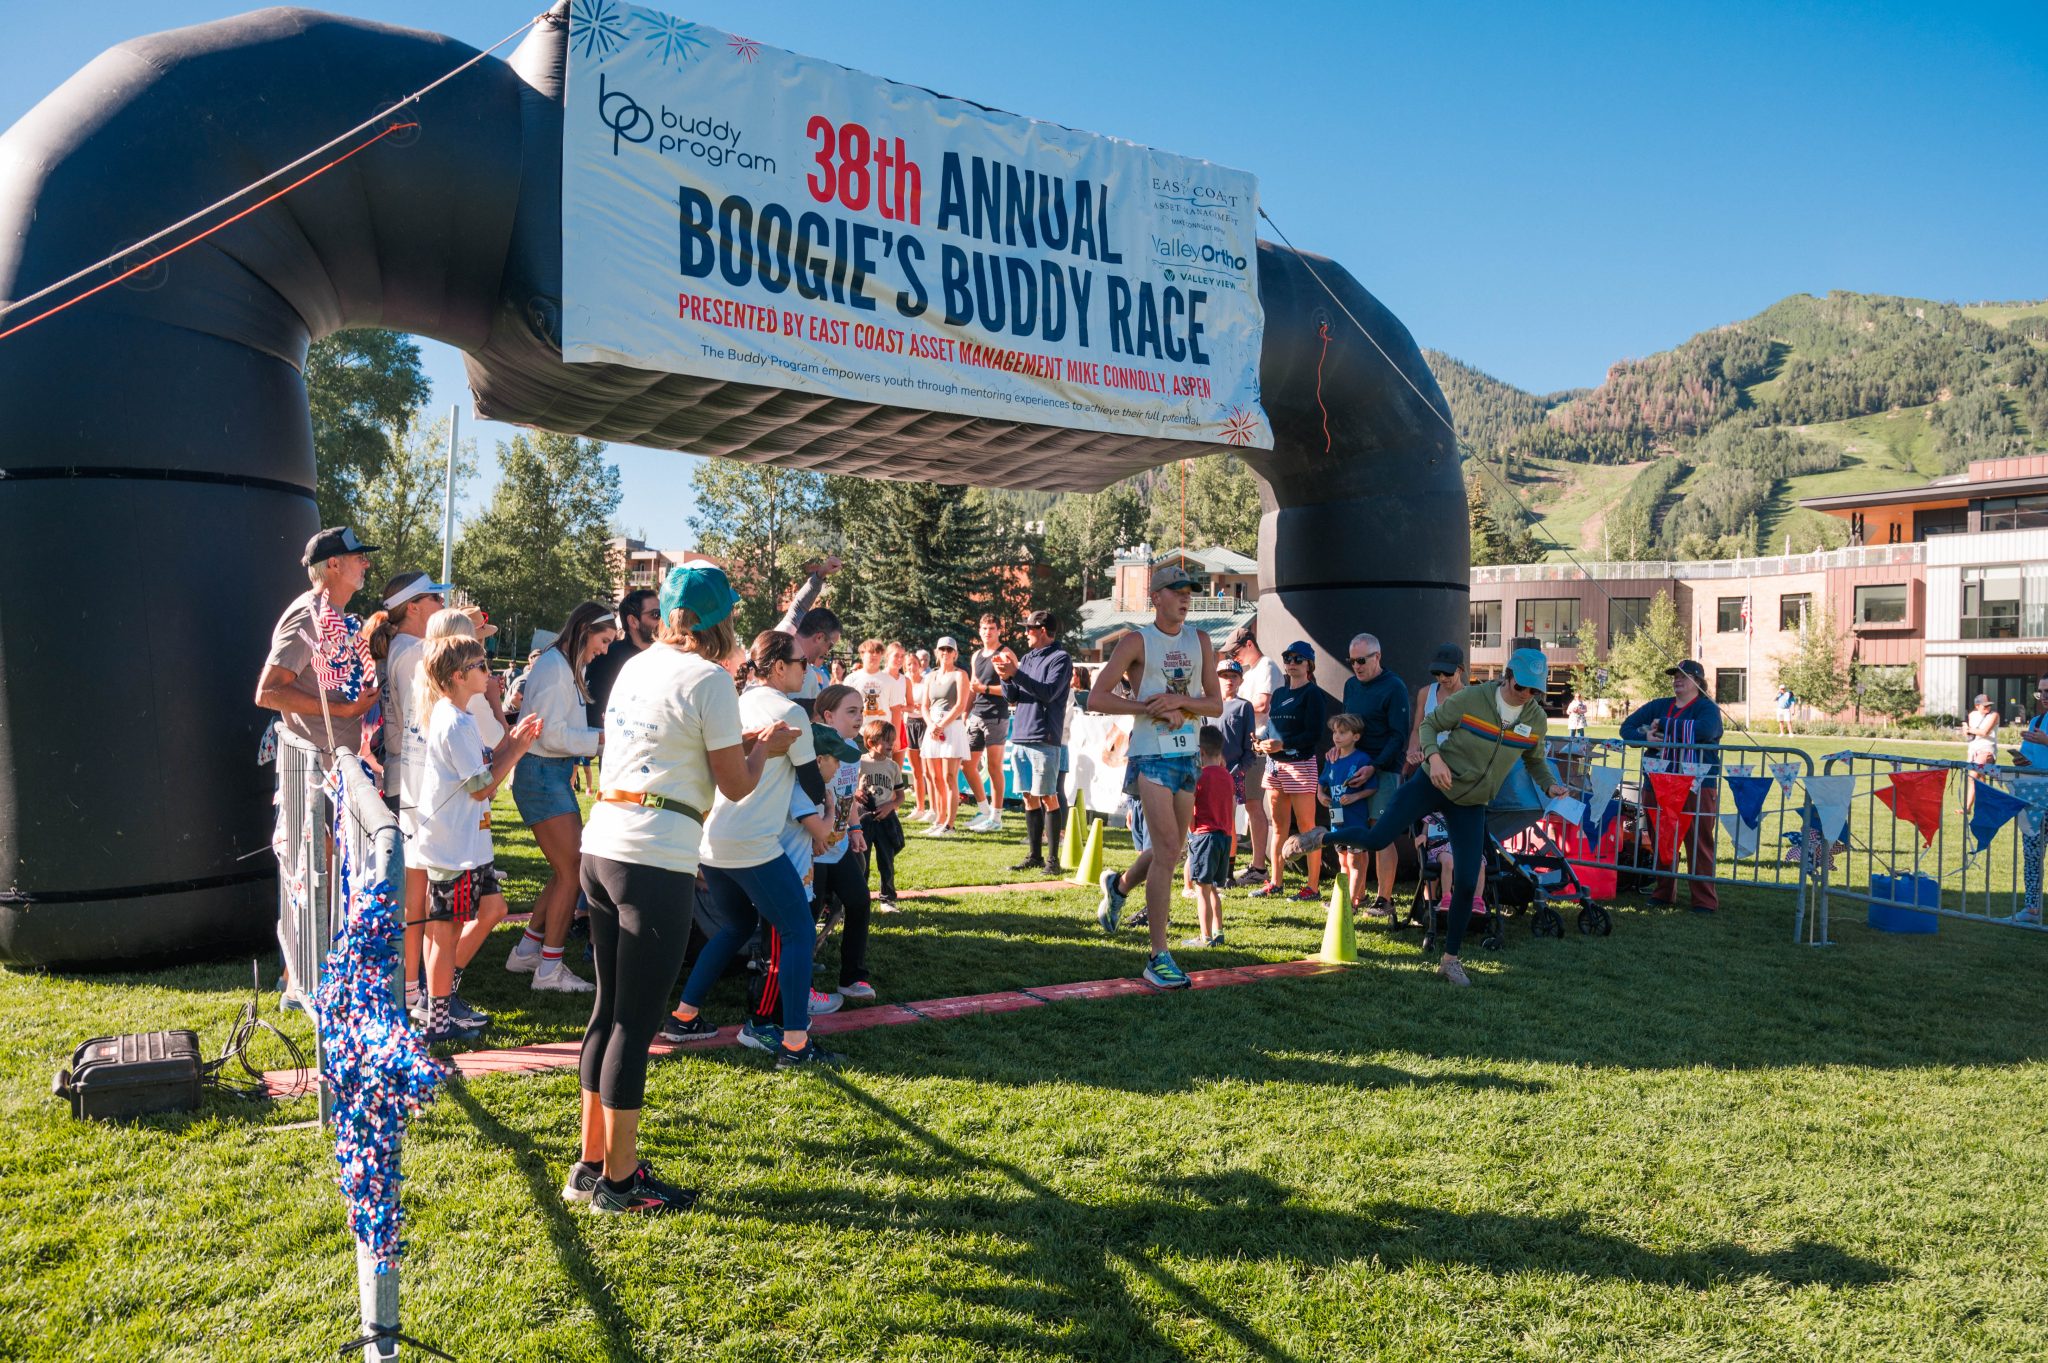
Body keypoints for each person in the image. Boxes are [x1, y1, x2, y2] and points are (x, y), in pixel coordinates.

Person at [571, 564, 781, 1213]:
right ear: (723, 618)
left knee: (606, 1012)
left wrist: (739, 744)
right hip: (653, 856)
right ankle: (621, 1183)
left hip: (603, 841)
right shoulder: (713, 678)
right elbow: (736, 782)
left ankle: (591, 1164)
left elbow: (671, 745)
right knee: (635, 1024)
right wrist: (767, 746)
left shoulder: (639, 664)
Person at [1287, 648, 1566, 987]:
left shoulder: (1535, 718)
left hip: (1471, 802)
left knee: (1466, 880)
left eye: (1535, 691)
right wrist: (1434, 760)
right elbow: (1431, 725)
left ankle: (1450, 961)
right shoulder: (1474, 698)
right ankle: (1320, 837)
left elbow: (1535, 760)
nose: (1528, 696)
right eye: (1523, 688)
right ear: (1507, 677)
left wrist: (1550, 786)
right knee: (1377, 839)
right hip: (1432, 783)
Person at [663, 629, 840, 1069]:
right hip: (751, 844)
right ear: (779, 667)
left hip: (714, 842)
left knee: (737, 927)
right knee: (799, 930)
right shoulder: (786, 712)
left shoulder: (738, 701)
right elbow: (813, 786)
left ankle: (683, 1016)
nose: (809, 668)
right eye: (802, 662)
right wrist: (833, 791)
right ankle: (795, 1044)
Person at [1087, 562, 1222, 990]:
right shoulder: (1135, 641)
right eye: (1176, 590)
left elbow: (1215, 705)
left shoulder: (1201, 640)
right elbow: (1097, 696)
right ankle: (1157, 956)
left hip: (1187, 756)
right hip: (1149, 756)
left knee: (1172, 851)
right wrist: (1146, 706)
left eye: (1189, 591)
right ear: (1156, 597)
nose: (1185, 597)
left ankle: (1119, 885)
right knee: (1166, 849)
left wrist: (1178, 700)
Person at [412, 636, 543, 1044]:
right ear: (458, 675)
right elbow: (481, 787)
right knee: (444, 931)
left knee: (493, 908)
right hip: (453, 847)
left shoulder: (458, 717)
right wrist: (517, 749)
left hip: (467, 844)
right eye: (482, 666)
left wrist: (512, 743)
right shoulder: (452, 721)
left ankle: (443, 997)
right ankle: (437, 1018)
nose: (489, 674)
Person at [505, 602, 619, 990]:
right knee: (574, 872)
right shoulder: (555, 668)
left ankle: (527, 952)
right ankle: (548, 969)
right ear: (585, 629)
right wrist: (601, 741)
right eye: (604, 641)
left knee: (566, 869)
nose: (605, 650)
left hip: (547, 774)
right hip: (542, 775)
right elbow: (549, 735)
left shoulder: (564, 664)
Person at [256, 526, 383, 758]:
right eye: (359, 558)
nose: (366, 564)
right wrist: (346, 710)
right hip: (321, 779)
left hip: (339, 769)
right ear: (334, 564)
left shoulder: (331, 612)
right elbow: (267, 692)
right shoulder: (308, 615)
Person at [1619, 659, 1726, 912]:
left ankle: (1704, 900)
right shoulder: (1659, 705)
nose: (1677, 680)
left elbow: (1706, 730)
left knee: (1698, 839)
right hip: (1658, 781)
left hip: (1696, 784)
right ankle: (1664, 893)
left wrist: (1665, 725)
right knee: (1661, 839)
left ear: (1698, 682)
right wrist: (1644, 737)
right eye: (1675, 676)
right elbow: (1626, 729)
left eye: (1684, 676)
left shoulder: (1706, 707)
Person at [809, 685, 876, 1004]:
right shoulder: (810, 750)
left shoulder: (852, 750)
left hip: (837, 848)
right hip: (812, 850)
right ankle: (802, 984)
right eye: (852, 711)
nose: (860, 717)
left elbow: (847, 797)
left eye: (861, 711)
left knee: (860, 901)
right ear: (827, 716)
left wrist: (856, 829)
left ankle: (853, 978)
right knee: (806, 917)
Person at [995, 608, 1074, 874]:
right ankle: (1034, 855)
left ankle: (1053, 861)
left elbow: (1048, 692)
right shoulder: (1028, 658)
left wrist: (1015, 673)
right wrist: (1006, 677)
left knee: (1048, 796)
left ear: (1042, 631)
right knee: (1028, 797)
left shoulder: (1060, 658)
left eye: (1028, 629)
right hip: (1021, 735)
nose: (1025, 633)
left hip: (1044, 735)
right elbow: (1013, 697)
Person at [1250, 641, 1330, 902]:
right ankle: (1275, 881)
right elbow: (1273, 728)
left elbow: (1315, 734)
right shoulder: (1281, 693)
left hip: (1300, 766)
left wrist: (1283, 744)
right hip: (1275, 765)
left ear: (1309, 665)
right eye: (1288, 657)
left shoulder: (1313, 694)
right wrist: (1262, 742)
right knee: (1278, 826)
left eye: (1298, 658)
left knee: (1308, 828)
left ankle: (1313, 887)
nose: (1292, 662)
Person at [1406, 643, 1485, 906]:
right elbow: (1418, 728)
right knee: (1429, 820)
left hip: (1458, 773)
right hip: (1429, 769)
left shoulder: (1472, 697)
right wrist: (1412, 753)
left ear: (1460, 670)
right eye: (1437, 674)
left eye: (1447, 675)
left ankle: (1467, 895)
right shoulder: (1425, 694)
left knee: (1459, 825)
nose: (1442, 679)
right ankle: (1433, 899)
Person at [1340, 632, 1410, 914]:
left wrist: (1375, 766)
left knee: (1380, 833)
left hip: (1383, 770)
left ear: (1377, 657)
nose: (1356, 666)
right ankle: (1356, 896)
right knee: (1355, 833)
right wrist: (1339, 752)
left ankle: (1385, 898)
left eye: (1361, 660)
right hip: (1354, 768)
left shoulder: (1394, 687)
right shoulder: (1350, 685)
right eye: (1352, 660)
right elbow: (1345, 726)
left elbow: (1399, 735)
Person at [1224, 625, 1282, 886]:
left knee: (1254, 806)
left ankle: (1259, 866)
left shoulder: (1267, 666)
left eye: (1235, 652)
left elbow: (1263, 704)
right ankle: (1255, 865)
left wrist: (1236, 706)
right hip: (1248, 746)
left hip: (1258, 748)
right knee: (1249, 807)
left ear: (1249, 644)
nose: (1234, 657)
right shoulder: (1251, 671)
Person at [1319, 713, 1377, 912]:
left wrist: (1355, 797)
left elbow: (1372, 787)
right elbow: (1322, 781)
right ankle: (1345, 899)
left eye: (1343, 732)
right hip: (1337, 818)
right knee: (1342, 859)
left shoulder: (1362, 759)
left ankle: (1352, 903)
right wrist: (1320, 795)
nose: (1337, 736)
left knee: (1355, 860)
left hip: (1356, 821)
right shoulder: (1332, 759)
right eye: (1335, 732)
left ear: (1356, 737)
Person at [1183, 726, 1234, 949]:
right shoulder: (1227, 776)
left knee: (1201, 889)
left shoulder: (1199, 776)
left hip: (1204, 837)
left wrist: (1191, 827)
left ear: (1200, 751)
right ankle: (1218, 931)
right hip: (1224, 837)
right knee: (1214, 888)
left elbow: (1189, 805)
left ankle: (1204, 937)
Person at [773, 556, 844, 715]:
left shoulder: (810, 674)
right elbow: (799, 606)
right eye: (830, 645)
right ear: (819, 637)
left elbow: (800, 607)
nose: (827, 653)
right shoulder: (777, 641)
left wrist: (822, 573)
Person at [964, 613, 1013, 832]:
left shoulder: (1005, 654)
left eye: (992, 628)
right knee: (967, 764)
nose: (987, 632)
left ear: (999, 630)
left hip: (996, 715)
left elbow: (1012, 690)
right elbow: (973, 687)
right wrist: (966, 712)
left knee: (994, 767)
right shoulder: (976, 655)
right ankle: (984, 809)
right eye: (984, 628)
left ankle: (996, 817)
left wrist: (983, 689)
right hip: (976, 714)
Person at [583, 588, 659, 727]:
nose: (662, 620)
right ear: (633, 621)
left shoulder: (667, 657)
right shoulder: (607, 656)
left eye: (664, 614)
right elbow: (594, 708)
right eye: (656, 614)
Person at [921, 637, 972, 835]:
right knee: (934, 777)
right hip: (933, 726)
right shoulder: (931, 676)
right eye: (942, 649)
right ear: (937, 652)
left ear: (955, 653)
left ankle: (950, 824)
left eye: (949, 649)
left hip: (951, 726)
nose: (945, 652)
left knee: (949, 776)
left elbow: (961, 704)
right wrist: (932, 725)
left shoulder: (960, 675)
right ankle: (939, 819)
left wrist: (941, 725)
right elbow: (924, 705)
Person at [857, 720, 907, 912]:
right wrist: (856, 793)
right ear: (870, 742)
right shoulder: (859, 762)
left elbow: (900, 796)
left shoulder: (893, 766)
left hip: (885, 819)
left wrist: (891, 806)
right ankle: (861, 897)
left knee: (886, 860)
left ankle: (887, 898)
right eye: (886, 740)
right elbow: (851, 789)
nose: (891, 744)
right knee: (863, 861)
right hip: (864, 818)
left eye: (892, 740)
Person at [2011, 672, 2048, 924]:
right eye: (2041, 692)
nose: (2044, 697)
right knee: (2032, 854)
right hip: (2037, 799)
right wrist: (2019, 759)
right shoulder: (2036, 721)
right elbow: (2030, 759)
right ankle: (2031, 909)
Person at [1214, 660, 1257, 867]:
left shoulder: (1244, 707)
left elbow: (1250, 748)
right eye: (1224, 676)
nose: (1229, 680)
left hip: (1231, 774)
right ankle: (1209, 861)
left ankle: (1228, 869)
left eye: (1233, 676)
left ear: (1241, 680)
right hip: (1208, 774)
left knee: (1228, 822)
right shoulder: (1209, 705)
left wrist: (1239, 770)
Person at [846, 638, 908, 739]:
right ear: (862, 654)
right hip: (857, 734)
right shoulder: (851, 679)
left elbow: (896, 711)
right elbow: (844, 708)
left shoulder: (890, 680)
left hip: (883, 735)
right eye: (871, 652)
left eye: (878, 652)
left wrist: (895, 739)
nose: (875, 655)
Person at [901, 646, 931, 821]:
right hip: (909, 724)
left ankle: (932, 808)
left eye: (913, 664)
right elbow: (901, 704)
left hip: (924, 724)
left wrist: (920, 707)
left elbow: (930, 704)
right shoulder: (904, 683)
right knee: (916, 771)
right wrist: (909, 707)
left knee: (928, 771)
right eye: (908, 664)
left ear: (919, 665)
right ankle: (919, 807)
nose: (911, 667)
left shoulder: (926, 681)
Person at [1965, 693, 2001, 814]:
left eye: (1989, 705)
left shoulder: (1994, 715)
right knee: (1980, 779)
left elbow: (1985, 731)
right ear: (1977, 705)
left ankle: (1967, 807)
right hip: (1973, 749)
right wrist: (1966, 730)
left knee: (1972, 776)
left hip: (1987, 749)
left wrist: (1969, 729)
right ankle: (1983, 805)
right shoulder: (1972, 715)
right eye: (1985, 706)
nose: (1988, 708)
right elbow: (1971, 734)